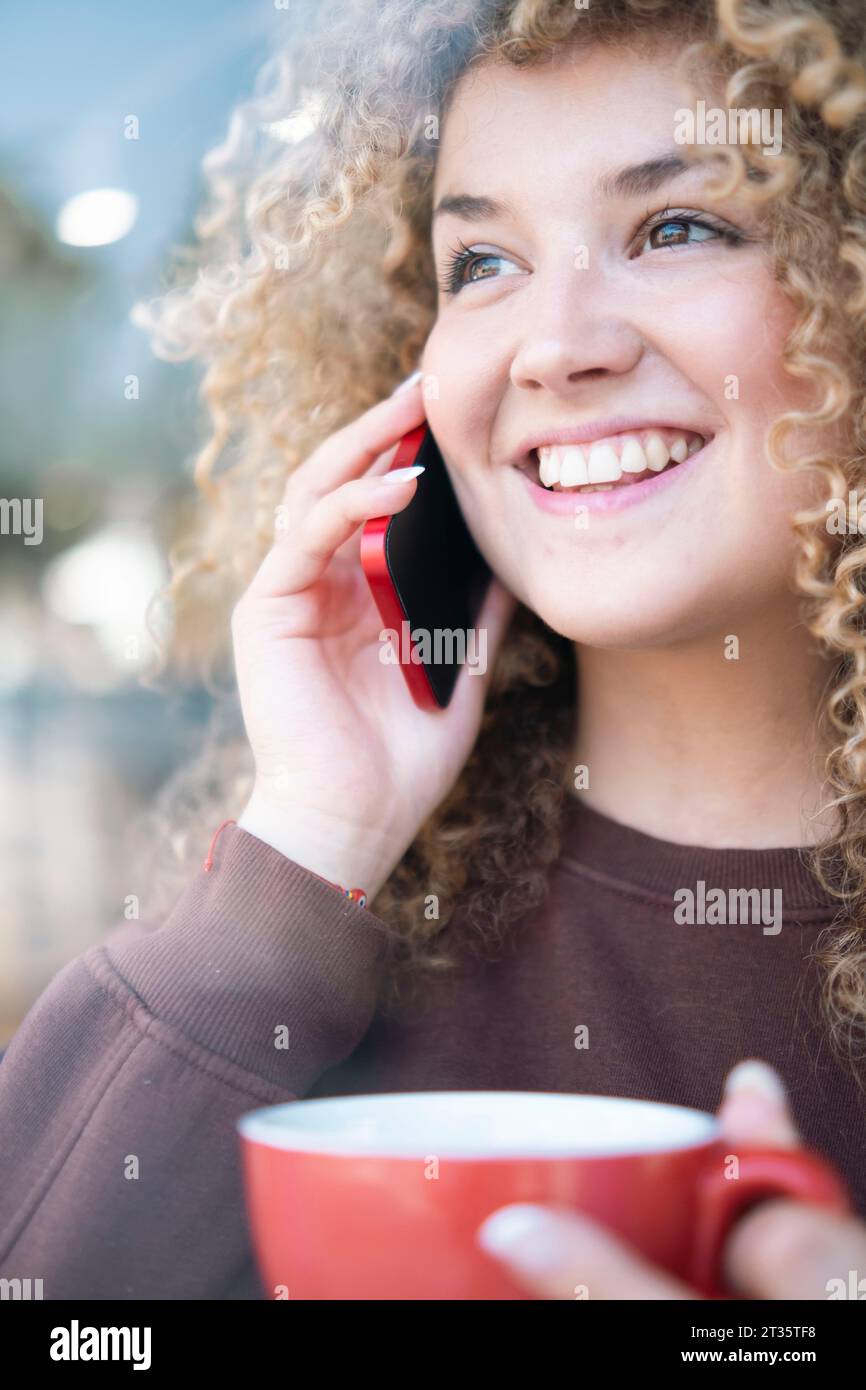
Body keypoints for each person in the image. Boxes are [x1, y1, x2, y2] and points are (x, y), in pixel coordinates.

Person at [2, 0, 866, 1300]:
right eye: (481, 264)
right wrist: (309, 835)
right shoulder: (326, 931)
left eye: (677, 225)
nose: (558, 344)